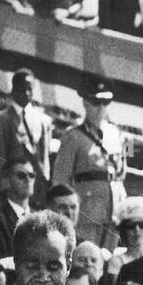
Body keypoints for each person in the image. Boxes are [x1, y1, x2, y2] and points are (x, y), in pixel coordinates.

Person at [50, 78, 126, 248]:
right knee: (86, 255)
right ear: (85, 103)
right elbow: (60, 178)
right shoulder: (73, 136)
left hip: (115, 209)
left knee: (109, 257)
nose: (101, 108)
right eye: (96, 102)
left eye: (106, 102)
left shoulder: (116, 134)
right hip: (87, 211)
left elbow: (123, 170)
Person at [0, 69, 52, 199]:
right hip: (11, 190)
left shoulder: (44, 121)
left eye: (30, 89)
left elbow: (45, 158)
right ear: (13, 89)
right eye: (22, 89)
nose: (26, 93)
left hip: (37, 190)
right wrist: (2, 192)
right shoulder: (0, 119)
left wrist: (45, 186)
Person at [0, 157, 34, 271]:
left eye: (31, 175)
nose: (28, 179)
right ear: (7, 181)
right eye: (21, 175)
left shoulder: (42, 216)